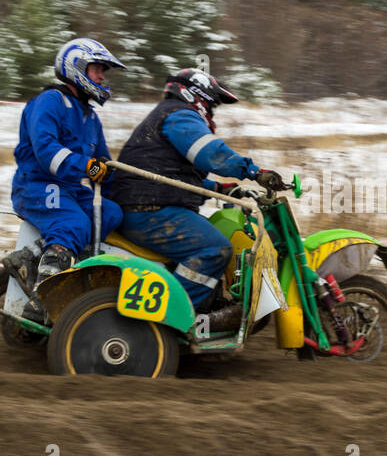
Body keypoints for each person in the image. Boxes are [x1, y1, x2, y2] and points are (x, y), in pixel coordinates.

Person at [108, 68, 287, 330]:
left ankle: (203, 305)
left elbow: (168, 175)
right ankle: (171, 322)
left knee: (214, 235)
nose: (211, 111)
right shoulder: (180, 115)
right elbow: (209, 153)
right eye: (211, 104)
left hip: (147, 204)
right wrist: (252, 171)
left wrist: (220, 188)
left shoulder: (167, 113)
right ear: (197, 95)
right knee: (214, 249)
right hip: (149, 210)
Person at [4, 38, 126, 298]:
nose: (102, 77)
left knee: (111, 213)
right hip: (36, 185)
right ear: (77, 68)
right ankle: (43, 301)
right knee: (74, 221)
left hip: (68, 190)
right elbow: (47, 151)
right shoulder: (51, 101)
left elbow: (102, 163)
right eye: (98, 69)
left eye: (103, 71)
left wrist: (116, 176)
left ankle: (36, 255)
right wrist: (87, 166)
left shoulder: (90, 117)